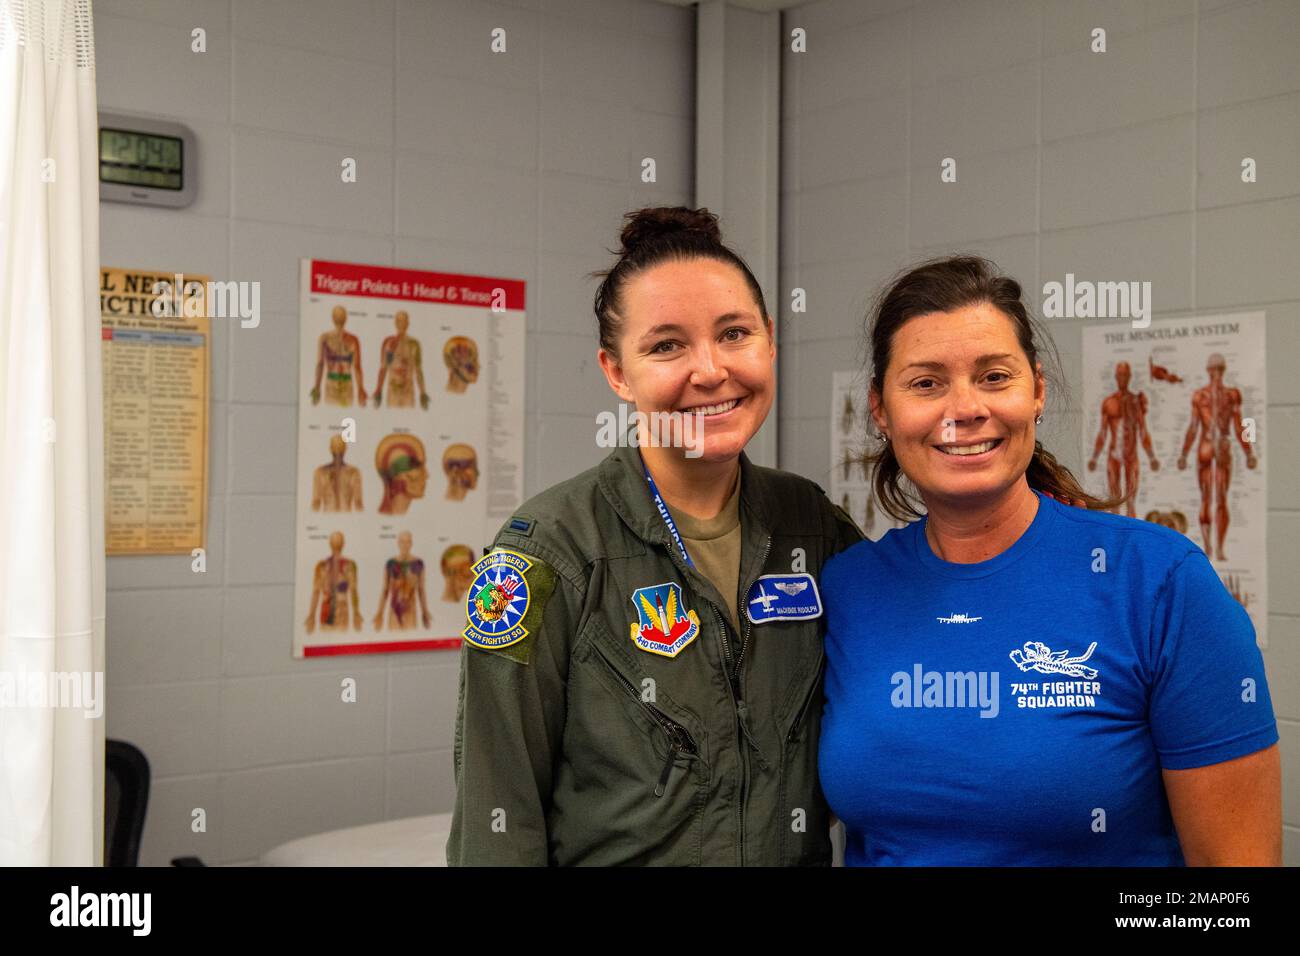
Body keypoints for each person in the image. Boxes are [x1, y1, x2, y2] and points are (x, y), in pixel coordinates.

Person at [818, 256, 1281, 866]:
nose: (964, 409)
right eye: (926, 383)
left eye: (993, 377)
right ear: (881, 410)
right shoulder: (850, 586)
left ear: (1035, 391)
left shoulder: (1159, 585)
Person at [448, 207, 862, 866]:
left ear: (771, 341)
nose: (709, 371)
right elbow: (497, 818)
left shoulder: (812, 527)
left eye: (734, 334)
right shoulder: (543, 553)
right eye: (667, 345)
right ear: (617, 372)